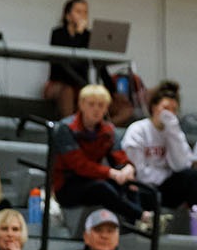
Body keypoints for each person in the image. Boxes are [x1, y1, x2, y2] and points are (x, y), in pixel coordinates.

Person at [51, 84, 146, 225]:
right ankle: (143, 217)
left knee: (131, 184)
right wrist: (111, 173)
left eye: (101, 105)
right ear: (81, 105)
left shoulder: (108, 130)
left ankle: (137, 225)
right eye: (91, 104)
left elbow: (118, 156)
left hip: (93, 178)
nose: (96, 109)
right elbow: (80, 165)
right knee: (102, 188)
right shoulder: (65, 128)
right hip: (67, 185)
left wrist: (128, 168)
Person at [122, 89, 197, 214]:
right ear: (154, 107)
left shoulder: (174, 131)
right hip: (143, 186)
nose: (170, 113)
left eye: (174, 110)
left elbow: (182, 165)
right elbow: (138, 171)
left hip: (167, 187)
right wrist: (165, 174)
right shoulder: (137, 130)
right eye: (166, 108)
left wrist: (173, 131)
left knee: (193, 176)